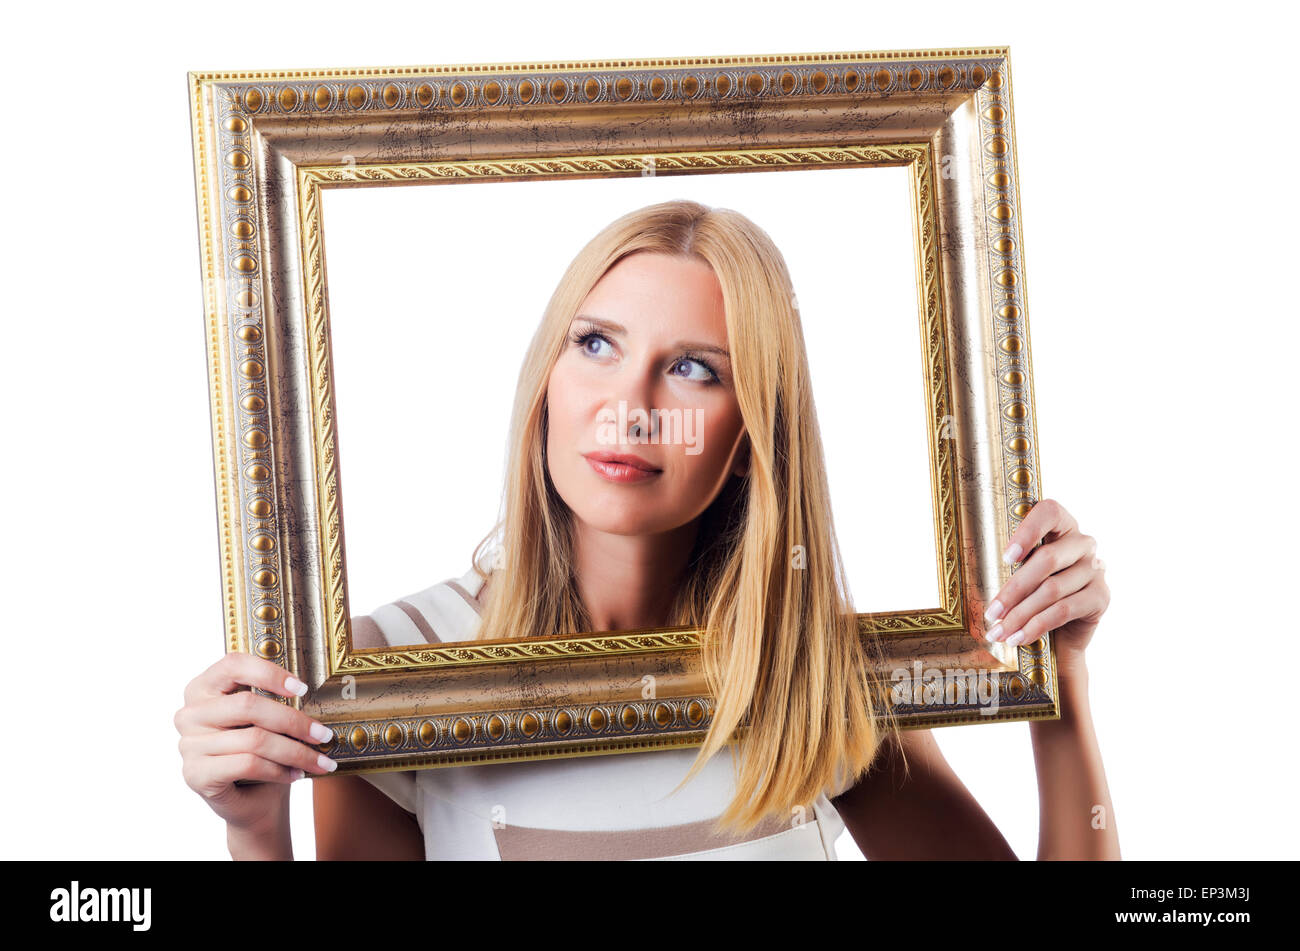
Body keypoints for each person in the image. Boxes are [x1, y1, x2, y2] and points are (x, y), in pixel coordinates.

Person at [176, 200, 1116, 860]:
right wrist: (255, 835)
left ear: (754, 439)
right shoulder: (393, 671)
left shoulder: (805, 663)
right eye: (596, 345)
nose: (629, 408)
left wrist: (1057, 671)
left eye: (695, 369)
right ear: (546, 383)